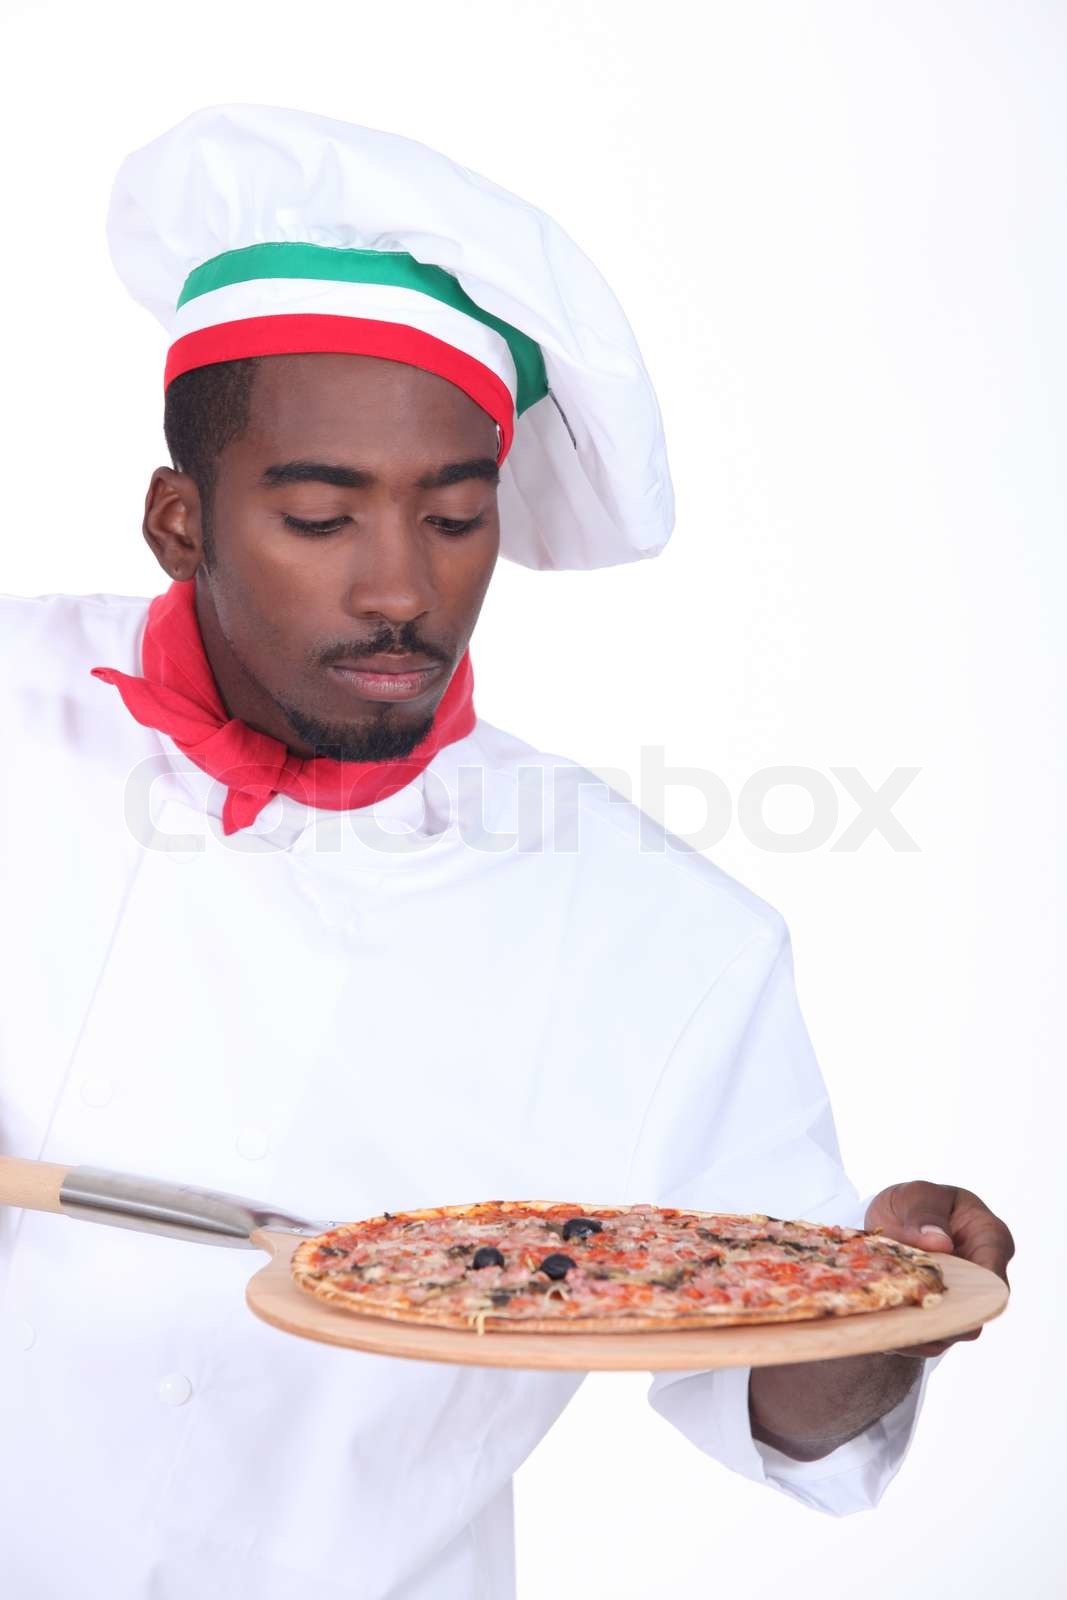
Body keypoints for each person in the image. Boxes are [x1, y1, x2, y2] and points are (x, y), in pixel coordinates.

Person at [0, 104, 1012, 1600]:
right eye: (320, 515)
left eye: (456, 517)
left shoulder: (657, 933)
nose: (402, 586)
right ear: (178, 521)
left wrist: (878, 1315)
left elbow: (774, 1402)